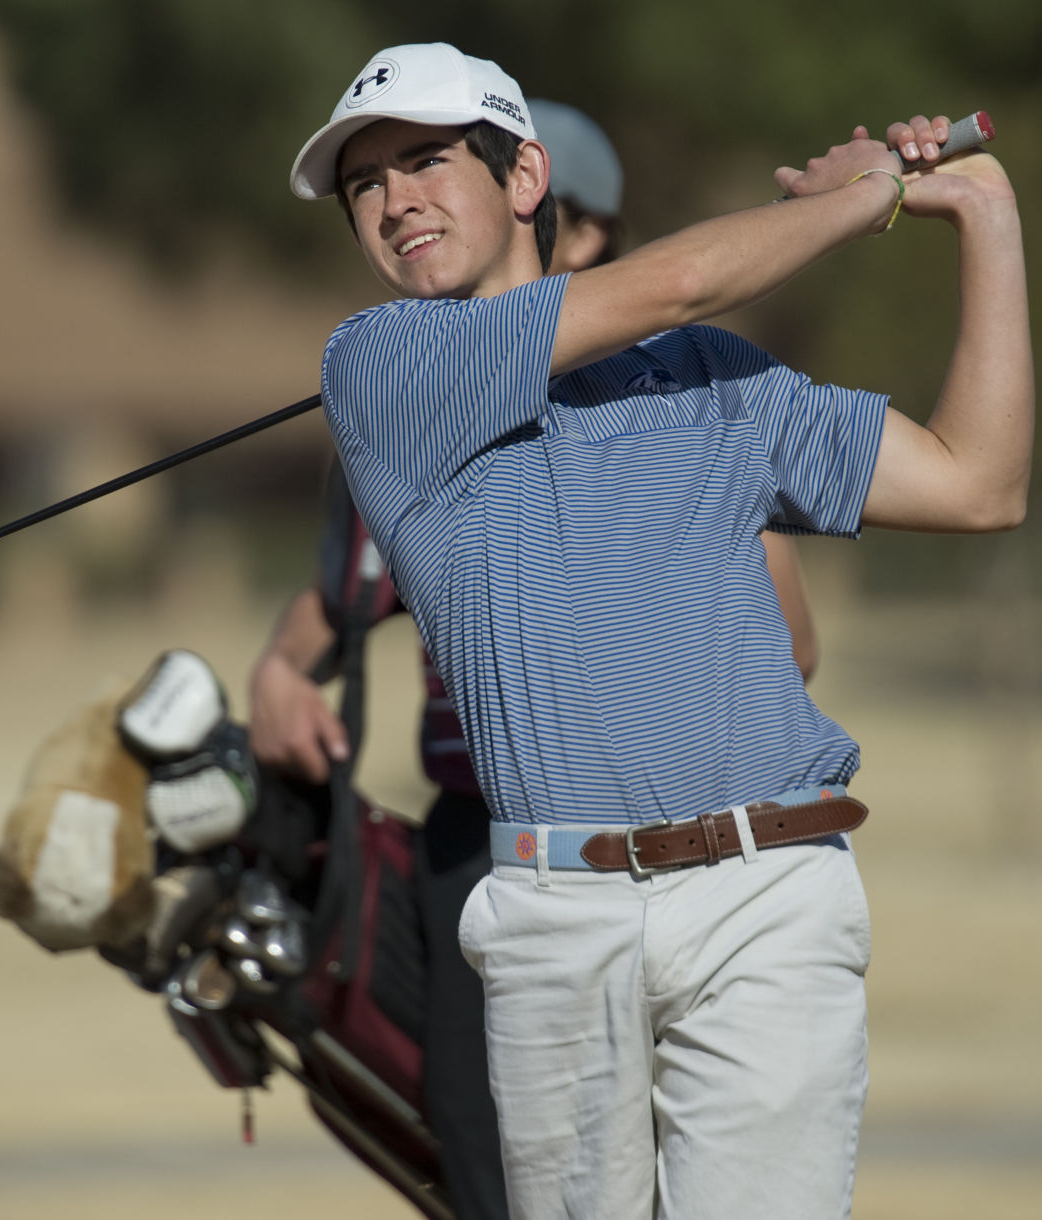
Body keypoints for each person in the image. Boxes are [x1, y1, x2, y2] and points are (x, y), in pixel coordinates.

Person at [286, 40, 1032, 1220]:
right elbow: (676, 280)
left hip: (767, 894)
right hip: (551, 916)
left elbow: (976, 483)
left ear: (523, 176)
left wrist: (979, 214)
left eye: (424, 161)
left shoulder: (708, 376)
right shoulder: (379, 368)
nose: (393, 203)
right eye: (363, 186)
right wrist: (864, 196)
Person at [250, 98, 819, 1220]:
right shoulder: (415, 408)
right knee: (488, 1169)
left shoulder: (679, 406)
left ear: (569, 228)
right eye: (379, 182)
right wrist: (277, 669)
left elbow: (789, 643)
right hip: (487, 845)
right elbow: (335, 603)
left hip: (673, 859)